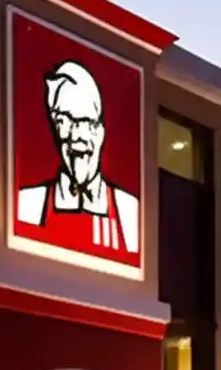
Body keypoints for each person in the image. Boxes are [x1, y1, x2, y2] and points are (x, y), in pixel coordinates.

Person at [17, 60, 138, 255]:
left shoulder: (130, 211)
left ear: (100, 132)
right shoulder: (28, 204)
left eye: (85, 122)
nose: (76, 136)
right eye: (64, 122)